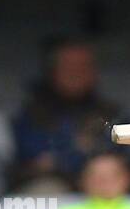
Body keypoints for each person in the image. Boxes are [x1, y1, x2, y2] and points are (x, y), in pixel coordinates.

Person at [11, 42, 119, 194]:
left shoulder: (111, 112)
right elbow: (38, 160)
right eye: (68, 66)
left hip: (103, 183)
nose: (76, 72)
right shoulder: (32, 114)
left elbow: (117, 155)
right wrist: (78, 151)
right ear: (52, 71)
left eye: (83, 66)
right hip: (51, 184)